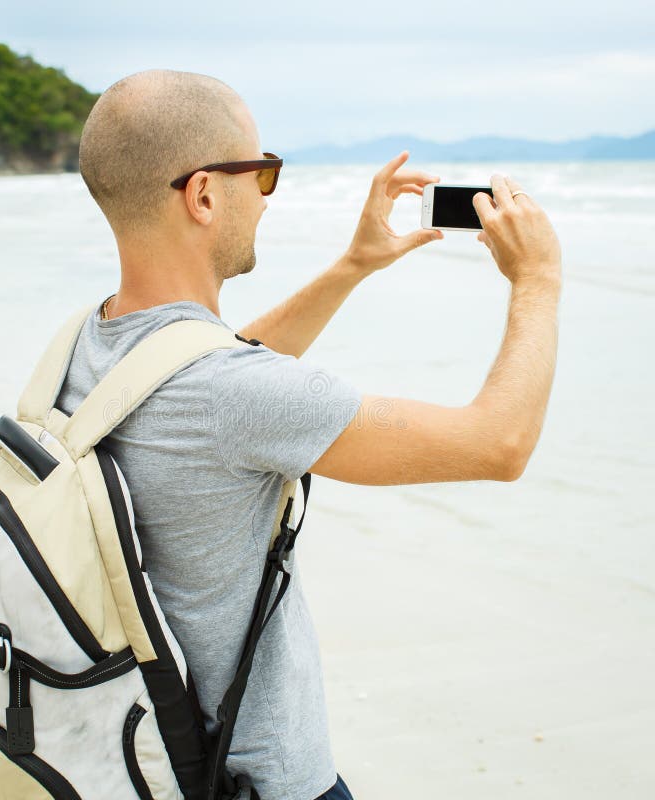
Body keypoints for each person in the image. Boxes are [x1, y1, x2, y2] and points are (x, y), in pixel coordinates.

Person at [54, 69, 562, 800]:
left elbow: (210, 370)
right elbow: (499, 444)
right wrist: (538, 281)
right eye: (261, 173)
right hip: (256, 781)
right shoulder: (237, 397)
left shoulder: (87, 344)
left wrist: (354, 266)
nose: (267, 195)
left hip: (142, 759)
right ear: (203, 195)